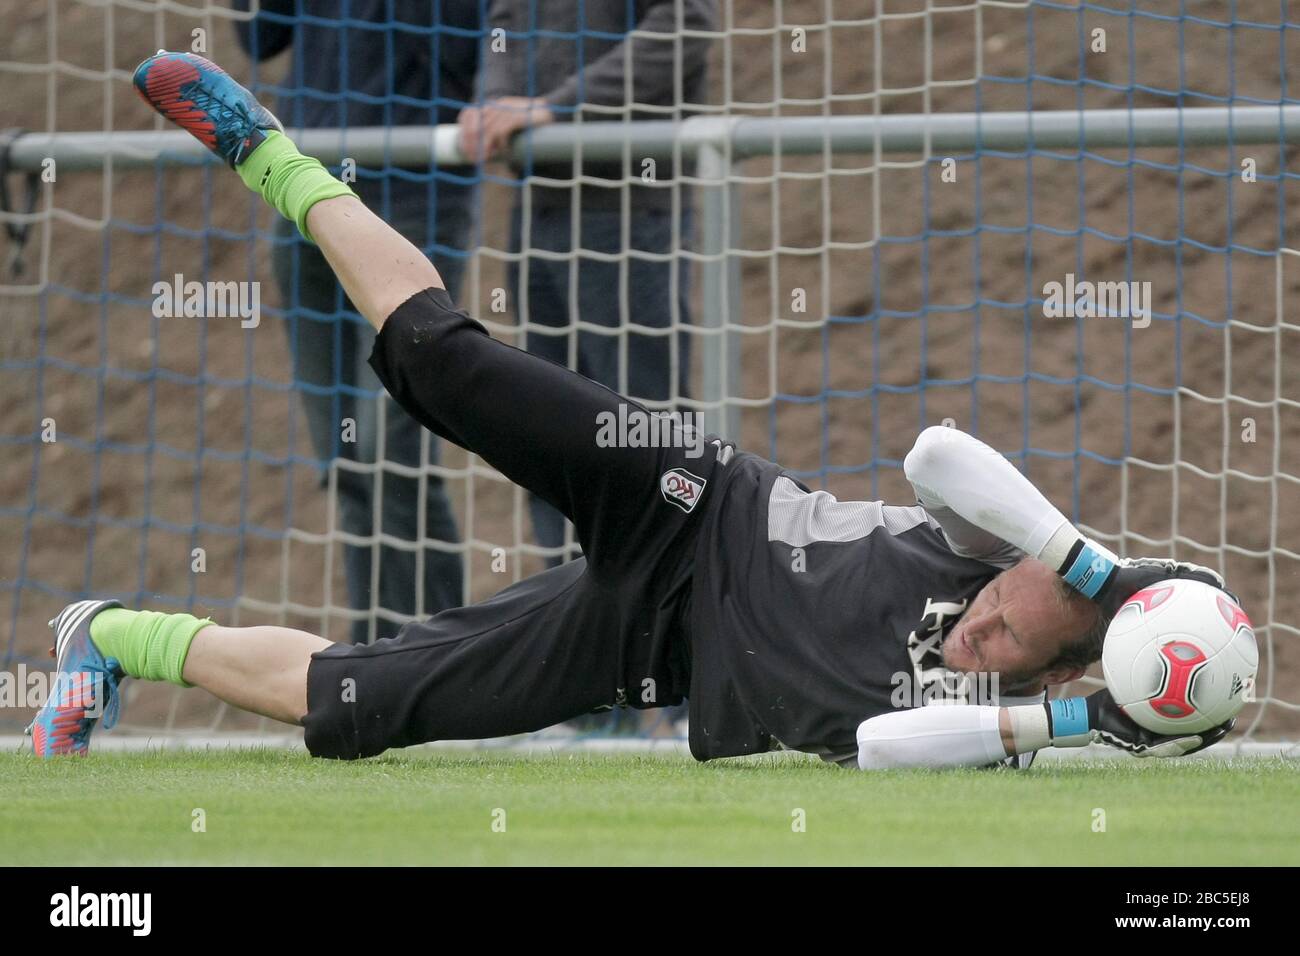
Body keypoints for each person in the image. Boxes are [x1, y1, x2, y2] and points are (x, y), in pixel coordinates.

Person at [30, 52, 1238, 769]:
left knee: (363, 702)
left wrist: (1068, 717)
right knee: (441, 363)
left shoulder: (1005, 715)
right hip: (690, 499)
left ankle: (111, 637)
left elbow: (876, 747)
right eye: (1020, 607)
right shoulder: (1008, 539)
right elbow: (935, 450)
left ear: (1067, 668)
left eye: (1024, 651)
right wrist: (1086, 559)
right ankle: (273, 155)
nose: (987, 631)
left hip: (652, 644)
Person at [232, 0, 482, 642]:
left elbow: (472, 54)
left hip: (417, 194)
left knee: (389, 451)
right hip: (306, 192)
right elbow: (260, 35)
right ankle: (375, 667)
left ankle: (438, 658)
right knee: (343, 459)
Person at [458, 0, 717, 566]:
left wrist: (558, 108)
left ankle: (678, 602)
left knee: (645, 427)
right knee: (548, 424)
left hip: (625, 205)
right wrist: (492, 103)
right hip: (538, 208)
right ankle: (571, 607)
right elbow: (504, 22)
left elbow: (684, 25)